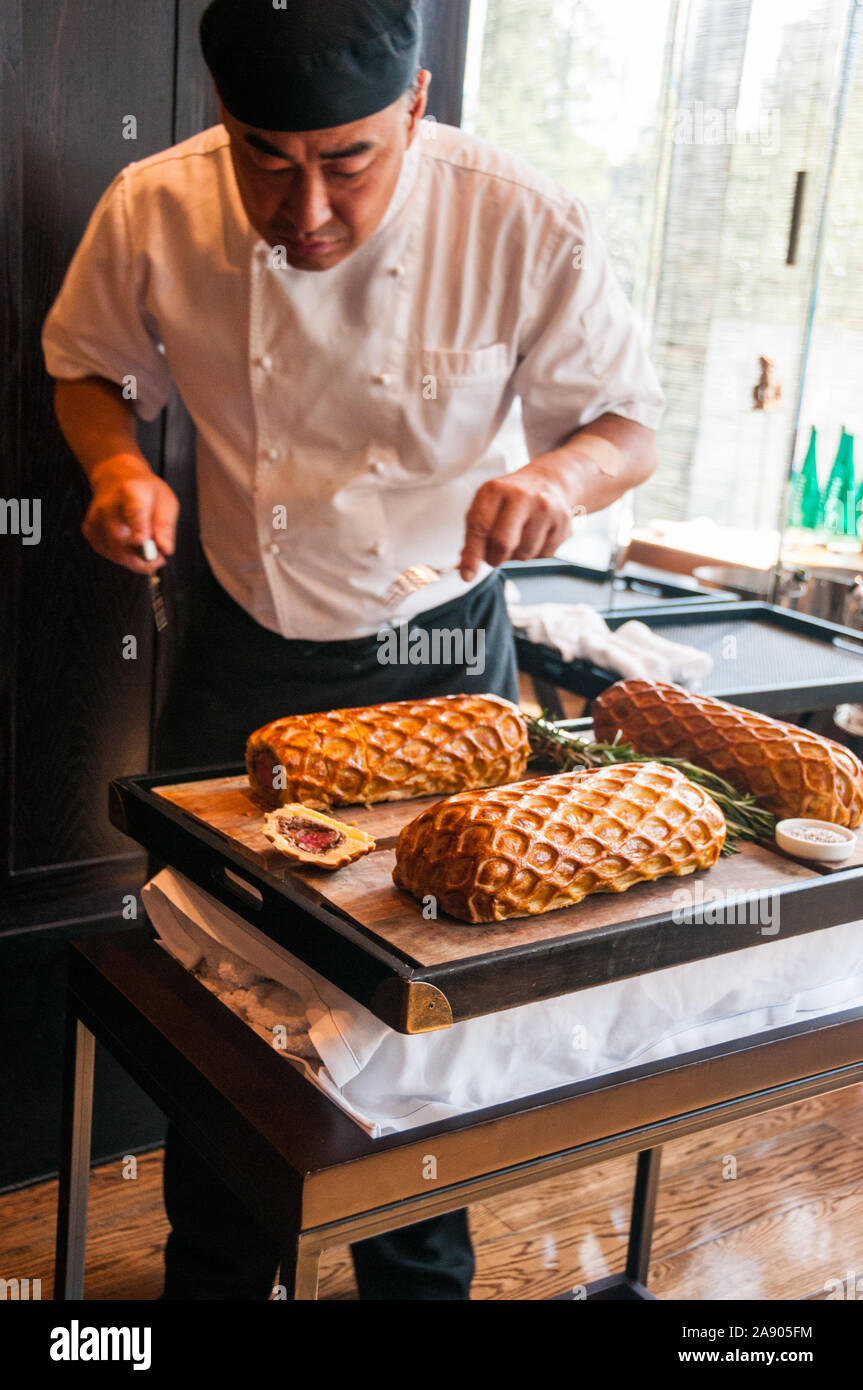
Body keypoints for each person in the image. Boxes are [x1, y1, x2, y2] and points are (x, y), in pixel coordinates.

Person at [42, 0, 664, 1299]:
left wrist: (559, 474)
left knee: (418, 1029)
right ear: (222, 123)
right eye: (268, 156)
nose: (308, 206)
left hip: (440, 667)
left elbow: (626, 424)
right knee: (224, 1001)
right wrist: (112, 469)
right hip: (240, 653)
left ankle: (419, 1277)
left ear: (418, 107)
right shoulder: (153, 206)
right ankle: (209, 1268)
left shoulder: (519, 218)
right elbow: (87, 366)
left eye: (350, 160)